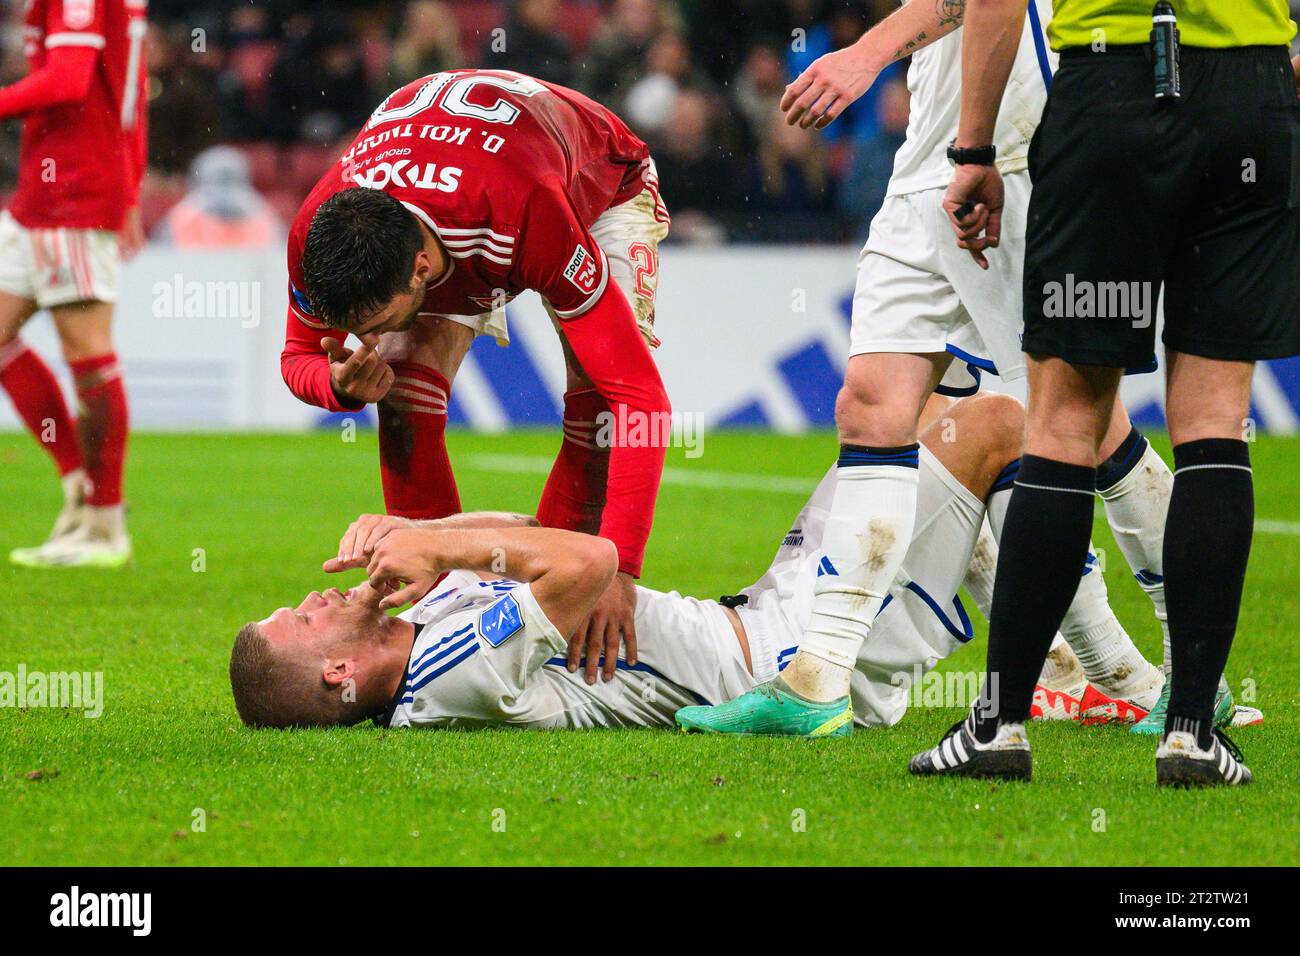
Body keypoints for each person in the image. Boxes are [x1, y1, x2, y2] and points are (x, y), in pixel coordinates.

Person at [677, 0, 1184, 738]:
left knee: (1086, 421)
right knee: (871, 404)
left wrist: (865, 54)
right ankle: (816, 681)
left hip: (1013, 158)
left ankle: (1189, 677)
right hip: (927, 162)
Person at [228, 391, 1167, 734]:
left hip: (762, 611)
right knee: (998, 425)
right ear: (340, 675)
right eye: (301, 621)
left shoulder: (425, 627)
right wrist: (438, 544)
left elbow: (521, 526)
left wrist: (420, 532)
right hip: (797, 660)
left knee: (914, 418)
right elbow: (592, 559)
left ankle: (1060, 672)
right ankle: (1121, 676)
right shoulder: (447, 678)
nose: (312, 596)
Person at [919, 0, 1299, 786]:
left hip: (1110, 89)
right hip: (1249, 92)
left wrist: (975, 148)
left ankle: (999, 726)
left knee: (1061, 419)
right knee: (1215, 419)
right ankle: (1192, 731)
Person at [280, 69, 672, 679]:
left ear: (418, 269)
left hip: (594, 184)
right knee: (403, 399)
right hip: (458, 179)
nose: (368, 340)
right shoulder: (321, 232)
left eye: (375, 321)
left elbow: (640, 399)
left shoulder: (529, 211)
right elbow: (297, 358)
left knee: (597, 406)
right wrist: (335, 386)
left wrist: (620, 571)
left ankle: (561, 599)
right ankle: (447, 603)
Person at [0, 0, 148, 568]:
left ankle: (106, 525)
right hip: (47, 190)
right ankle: (77, 487)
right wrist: (132, 183)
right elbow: (129, 89)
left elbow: (68, 81)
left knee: (88, 352)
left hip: (75, 188)